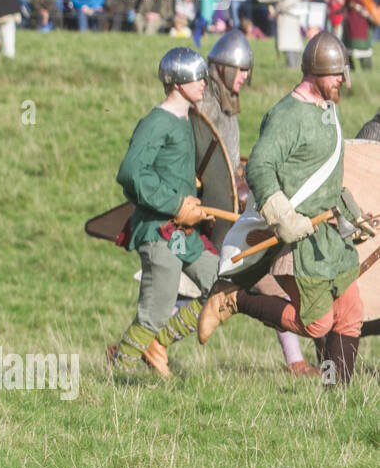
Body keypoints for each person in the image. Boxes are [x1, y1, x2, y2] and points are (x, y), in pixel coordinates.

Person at [199, 33, 363, 384]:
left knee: (350, 313)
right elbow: (259, 166)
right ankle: (235, 299)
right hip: (301, 241)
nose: (341, 82)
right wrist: (283, 216)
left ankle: (337, 397)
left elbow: (329, 175)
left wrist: (354, 212)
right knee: (318, 322)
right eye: (336, 75)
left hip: (331, 236)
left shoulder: (327, 109)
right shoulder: (287, 115)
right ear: (317, 73)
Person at [108, 48, 221, 376]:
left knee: (220, 285)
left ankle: (157, 345)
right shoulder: (157, 121)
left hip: (184, 234)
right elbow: (131, 172)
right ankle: (120, 373)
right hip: (160, 231)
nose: (203, 84)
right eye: (198, 78)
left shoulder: (187, 120)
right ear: (179, 82)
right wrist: (175, 204)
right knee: (155, 311)